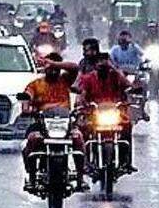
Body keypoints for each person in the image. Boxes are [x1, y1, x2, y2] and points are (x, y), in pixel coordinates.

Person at [21, 53, 87, 192]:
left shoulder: (65, 80)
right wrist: (27, 108)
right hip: (42, 124)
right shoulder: (35, 85)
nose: (53, 71)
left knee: (78, 138)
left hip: (65, 124)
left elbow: (74, 68)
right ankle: (32, 178)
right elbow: (27, 98)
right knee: (32, 140)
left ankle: (80, 179)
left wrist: (54, 63)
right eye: (49, 68)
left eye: (56, 68)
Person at [76, 55, 135, 170]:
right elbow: (81, 94)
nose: (103, 67)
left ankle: (127, 161)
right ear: (96, 65)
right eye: (100, 63)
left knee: (127, 127)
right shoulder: (88, 78)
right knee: (83, 130)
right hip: (94, 113)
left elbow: (128, 85)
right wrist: (82, 103)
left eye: (106, 64)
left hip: (114, 113)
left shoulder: (116, 76)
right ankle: (86, 162)